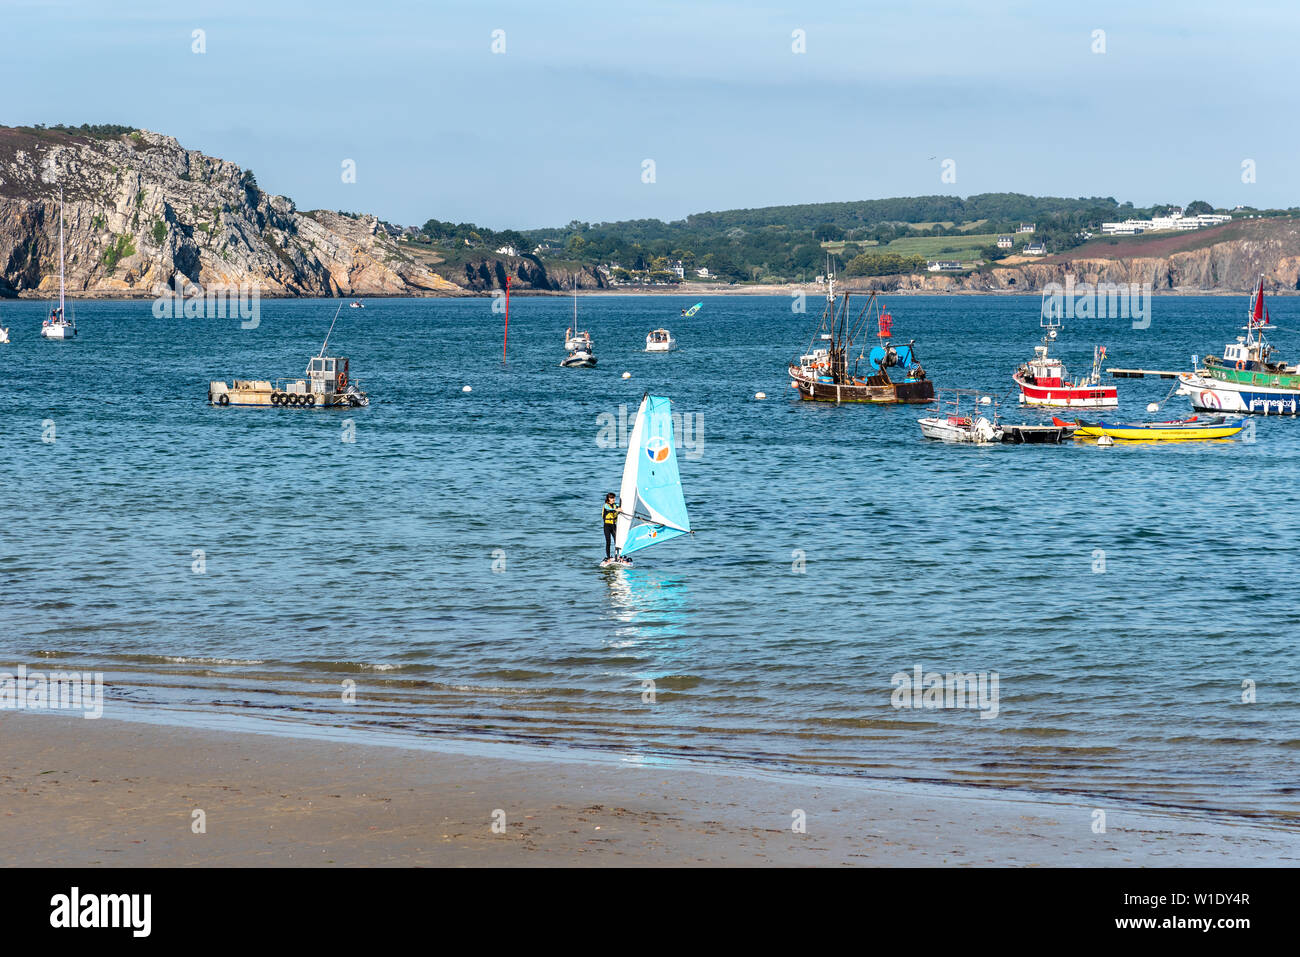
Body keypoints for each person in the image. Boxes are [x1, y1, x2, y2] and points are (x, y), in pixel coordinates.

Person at [602, 492, 619, 559]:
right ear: (608, 499)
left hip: (614, 525)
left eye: (614, 498)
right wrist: (616, 509)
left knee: (617, 541)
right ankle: (608, 557)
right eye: (611, 498)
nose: (613, 499)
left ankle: (617, 556)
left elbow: (621, 507)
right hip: (607, 526)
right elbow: (609, 509)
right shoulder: (606, 505)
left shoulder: (616, 505)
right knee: (608, 541)